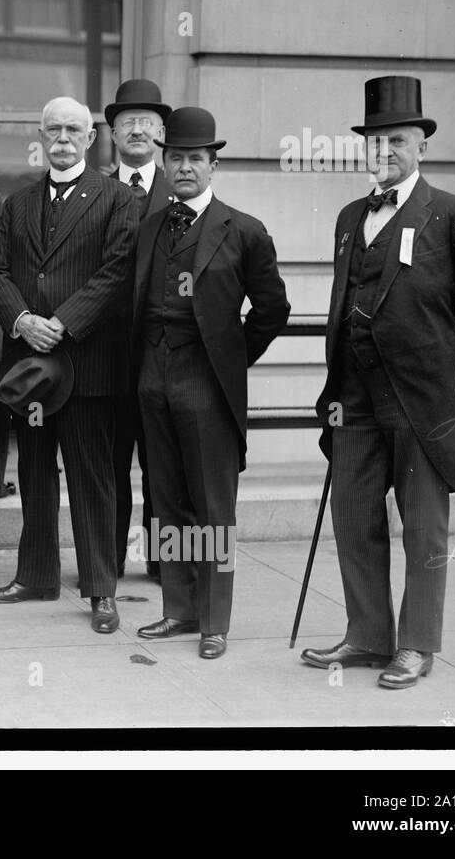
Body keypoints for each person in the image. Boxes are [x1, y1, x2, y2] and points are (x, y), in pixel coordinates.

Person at [302, 76, 455, 688]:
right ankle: (367, 636)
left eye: (398, 140)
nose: (385, 151)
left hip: (423, 402)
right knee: (353, 520)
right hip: (353, 398)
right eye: (376, 140)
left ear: (422, 146)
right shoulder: (349, 216)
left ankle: (417, 645)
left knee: (423, 530)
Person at [133, 107, 290, 659]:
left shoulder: (243, 230)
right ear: (164, 160)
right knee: (167, 501)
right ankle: (178, 609)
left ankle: (214, 621)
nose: (183, 168)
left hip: (208, 384)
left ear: (212, 165)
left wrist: (231, 358)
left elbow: (273, 309)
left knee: (212, 506)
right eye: (174, 157)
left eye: (195, 158)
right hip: (153, 380)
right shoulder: (151, 225)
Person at [0, 96, 138, 632]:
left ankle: (100, 590)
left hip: (88, 364)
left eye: (74, 129)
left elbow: (117, 273)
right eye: (54, 129)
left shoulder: (117, 199)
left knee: (92, 478)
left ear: (93, 138)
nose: (64, 138)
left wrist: (62, 324)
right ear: (41, 135)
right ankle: (37, 575)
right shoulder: (18, 203)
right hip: (31, 367)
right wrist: (23, 320)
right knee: (34, 470)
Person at [104, 78, 172, 581]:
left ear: (163, 132)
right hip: (104, 356)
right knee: (108, 466)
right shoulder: (92, 189)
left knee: (162, 465)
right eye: (127, 121)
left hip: (162, 357)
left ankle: (163, 560)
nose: (137, 129)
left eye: (147, 121)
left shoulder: (183, 191)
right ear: (111, 132)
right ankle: (105, 559)